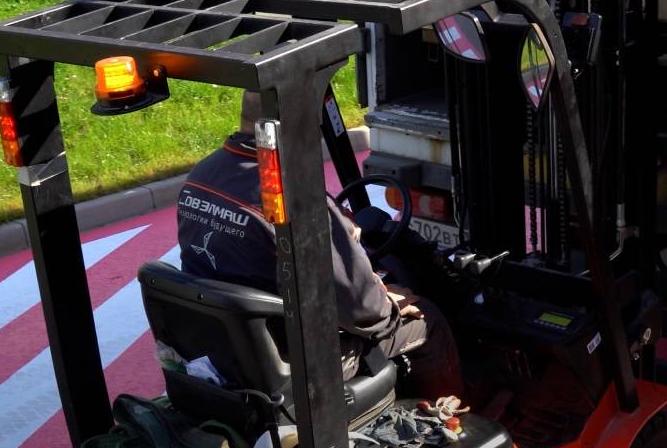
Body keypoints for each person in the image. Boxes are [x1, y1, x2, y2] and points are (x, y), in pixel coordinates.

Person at [175, 92, 463, 397]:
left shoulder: (200, 176)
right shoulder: (295, 197)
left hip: (229, 343)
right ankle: (450, 416)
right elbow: (363, 310)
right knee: (427, 320)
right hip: (294, 356)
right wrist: (390, 305)